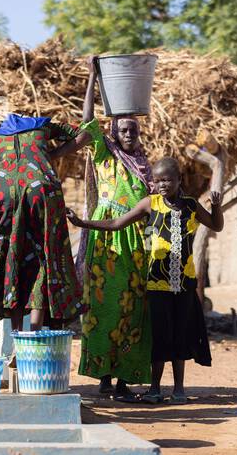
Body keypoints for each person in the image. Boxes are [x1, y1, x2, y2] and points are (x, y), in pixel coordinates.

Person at [70, 156, 222, 404]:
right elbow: (117, 223)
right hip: (156, 284)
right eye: (158, 180)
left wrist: (216, 207)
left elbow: (216, 225)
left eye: (168, 180)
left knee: (179, 336)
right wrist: (82, 223)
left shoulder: (191, 206)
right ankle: (154, 388)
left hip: (185, 284)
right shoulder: (150, 204)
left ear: (178, 180)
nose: (163, 185)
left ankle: (179, 389)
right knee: (160, 337)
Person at [63, 60, 153, 402]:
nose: (129, 135)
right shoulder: (104, 154)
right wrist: (92, 78)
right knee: (102, 308)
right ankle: (102, 374)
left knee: (131, 308)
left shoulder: (145, 167)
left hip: (132, 244)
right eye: (124, 130)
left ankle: (124, 380)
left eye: (134, 130)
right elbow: (86, 120)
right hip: (104, 240)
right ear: (113, 133)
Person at [0, 104, 87, 336]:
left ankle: (17, 334)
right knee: (43, 255)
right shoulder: (44, 127)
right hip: (39, 184)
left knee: (10, 255)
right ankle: (34, 333)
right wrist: (52, 155)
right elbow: (84, 133)